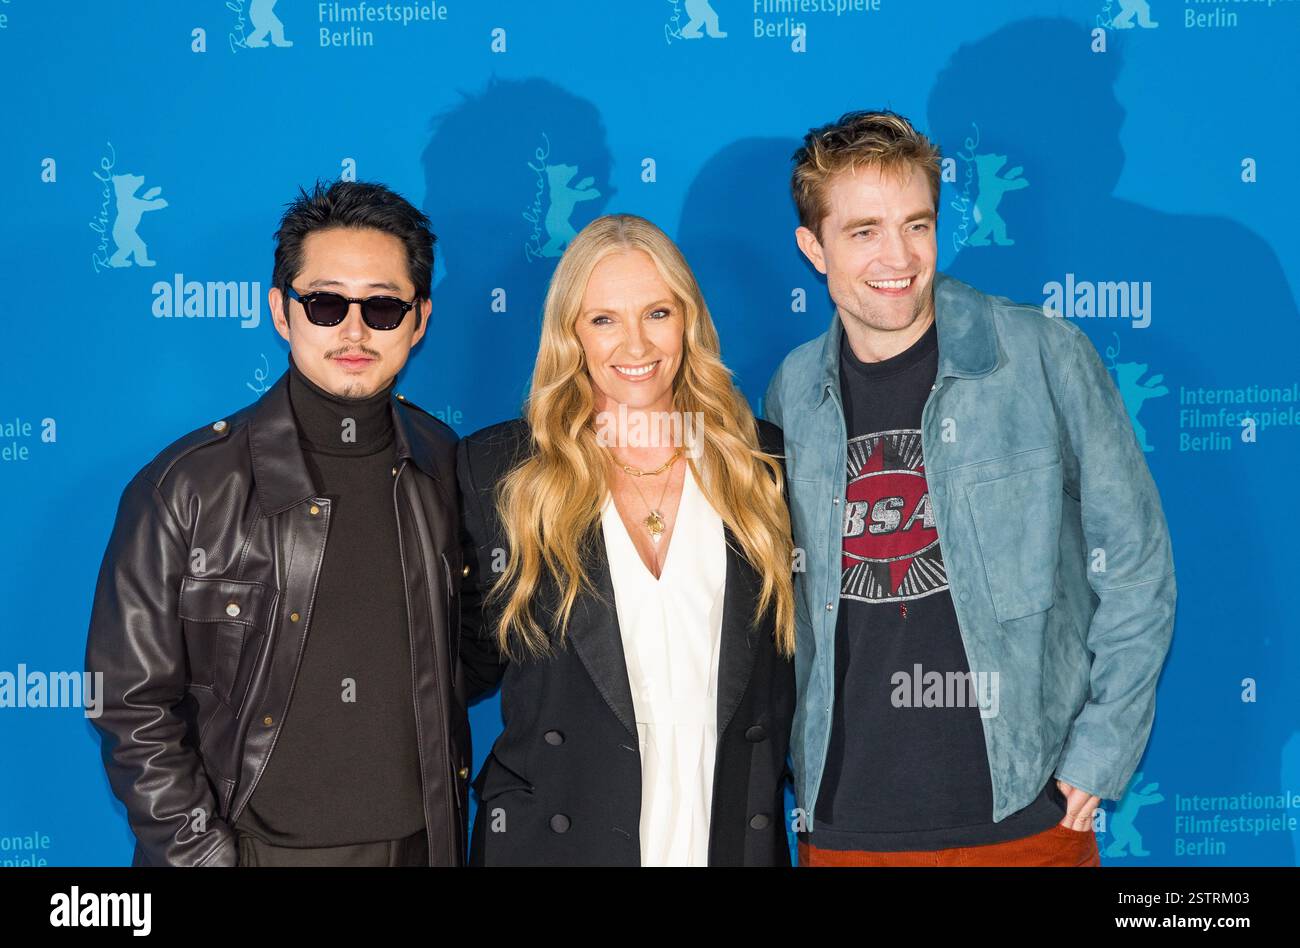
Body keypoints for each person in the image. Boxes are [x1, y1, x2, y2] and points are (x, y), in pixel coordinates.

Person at [763, 111, 1176, 866]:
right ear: (812, 248)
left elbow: (1137, 563)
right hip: (848, 828)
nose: (899, 257)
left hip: (1025, 819)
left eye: (916, 225)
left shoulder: (1040, 354)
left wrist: (1101, 748)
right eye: (863, 232)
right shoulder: (793, 391)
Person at [85, 180, 469, 866]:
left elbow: (474, 653)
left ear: (419, 320)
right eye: (324, 304)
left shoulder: (447, 468)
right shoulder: (186, 487)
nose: (353, 331)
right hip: (252, 853)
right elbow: (130, 704)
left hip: (420, 849)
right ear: (281, 313)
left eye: (382, 307)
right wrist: (203, 857)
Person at [457, 213, 796, 865]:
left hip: (723, 843)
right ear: (571, 334)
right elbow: (448, 671)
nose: (635, 345)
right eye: (604, 319)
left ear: (688, 319)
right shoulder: (500, 472)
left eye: (657, 313)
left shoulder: (762, 466)